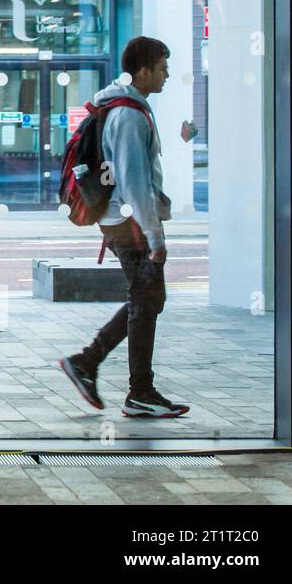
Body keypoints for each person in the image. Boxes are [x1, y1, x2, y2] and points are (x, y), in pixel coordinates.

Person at [58, 36, 190, 418]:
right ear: (144, 69)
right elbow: (134, 181)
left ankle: (89, 364)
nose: (167, 75)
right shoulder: (130, 115)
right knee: (146, 300)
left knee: (146, 300)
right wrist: (154, 236)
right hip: (129, 223)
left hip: (121, 221)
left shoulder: (123, 107)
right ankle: (137, 391)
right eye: (163, 67)